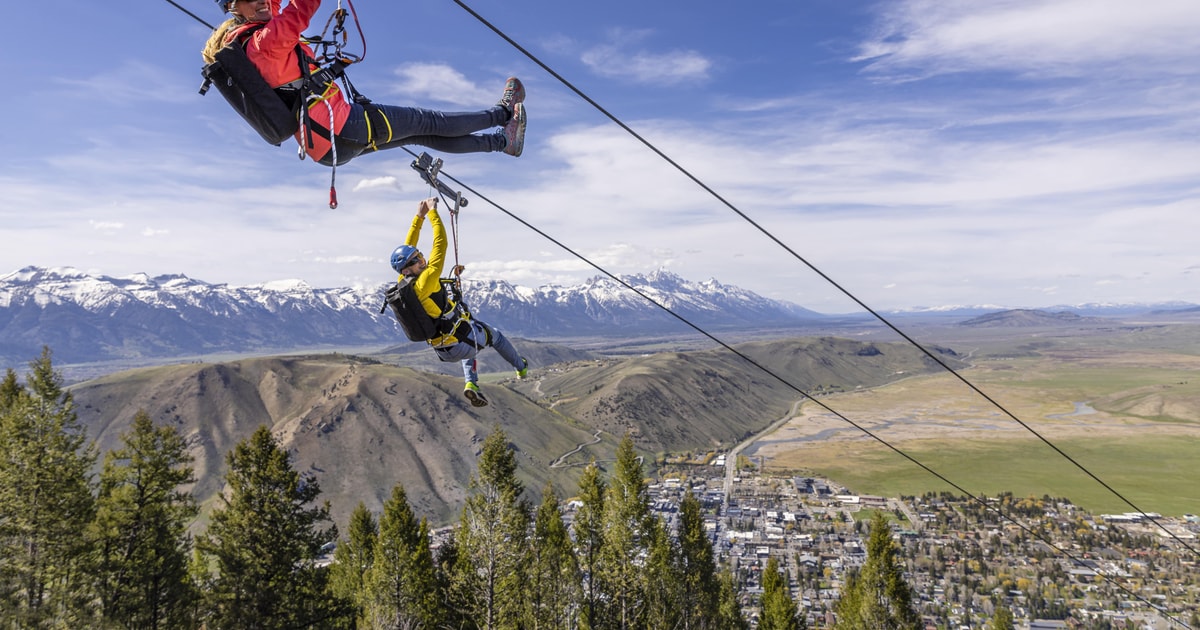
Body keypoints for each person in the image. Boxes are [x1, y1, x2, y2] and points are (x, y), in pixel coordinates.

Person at [202, 0, 526, 165]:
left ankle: (501, 143)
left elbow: (273, 8)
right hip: (344, 125)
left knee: (424, 135)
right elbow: (300, 10)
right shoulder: (262, 43)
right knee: (427, 120)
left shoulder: (243, 48)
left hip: (324, 145)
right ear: (234, 7)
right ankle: (502, 114)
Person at [391, 197, 529, 408]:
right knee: (496, 336)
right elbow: (440, 244)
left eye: (420, 256)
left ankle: (471, 385)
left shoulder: (405, 283)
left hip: (444, 349)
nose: (423, 259)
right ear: (410, 267)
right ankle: (521, 368)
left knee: (469, 333)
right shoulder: (427, 278)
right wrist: (432, 213)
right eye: (418, 259)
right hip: (458, 343)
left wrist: (418, 218)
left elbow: (408, 246)